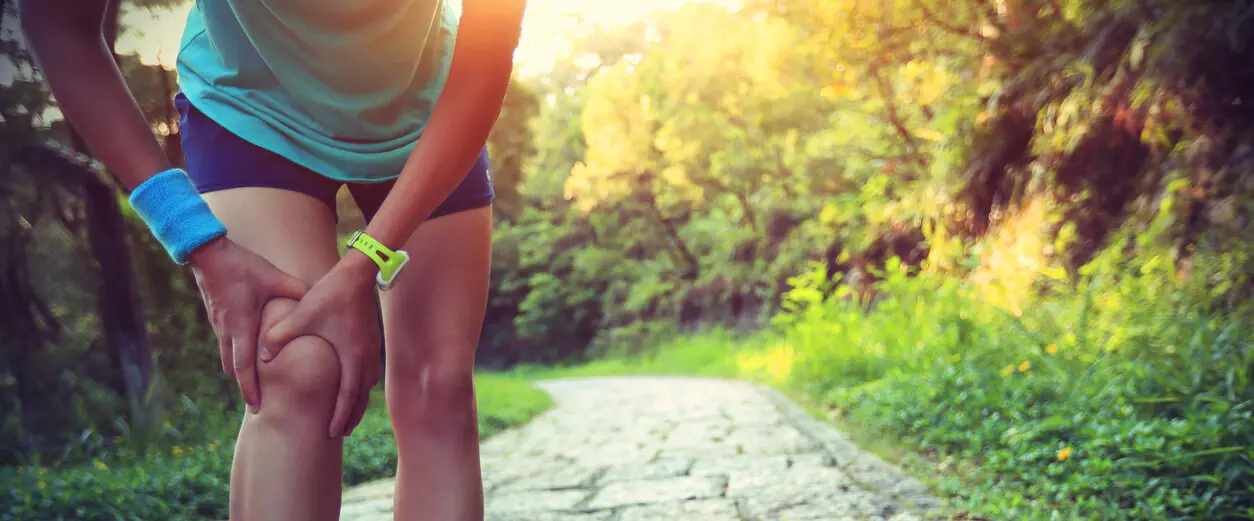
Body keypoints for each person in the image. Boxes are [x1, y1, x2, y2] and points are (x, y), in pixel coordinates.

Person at [20, 0, 526, 518]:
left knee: (437, 384)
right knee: (294, 362)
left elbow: (487, 55)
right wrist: (196, 238)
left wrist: (362, 263)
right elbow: (57, 24)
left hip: (426, 111)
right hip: (252, 110)